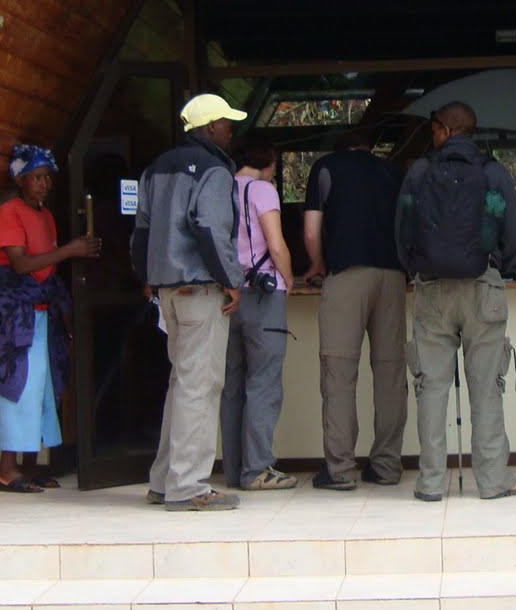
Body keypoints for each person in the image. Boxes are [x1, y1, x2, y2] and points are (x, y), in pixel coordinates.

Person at [395, 100, 516, 502]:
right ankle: (492, 482)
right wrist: (496, 266)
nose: (431, 135)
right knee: (486, 388)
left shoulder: (419, 172)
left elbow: (402, 230)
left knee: (430, 387)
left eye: (434, 128)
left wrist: (415, 268)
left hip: (431, 290)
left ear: (448, 130)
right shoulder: (493, 173)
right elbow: (513, 234)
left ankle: (431, 483)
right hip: (483, 286)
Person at [132, 92, 247, 512]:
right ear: (210, 127)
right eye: (226, 123)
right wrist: (231, 280)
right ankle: (189, 486)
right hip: (200, 290)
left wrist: (147, 278)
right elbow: (210, 230)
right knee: (200, 385)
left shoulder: (155, 169)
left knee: (182, 384)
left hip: (167, 290)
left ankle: (164, 481)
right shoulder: (214, 171)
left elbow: (141, 231)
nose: (231, 130)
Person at [0, 144, 100, 492]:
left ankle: (31, 465)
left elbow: (45, 267)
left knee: (43, 389)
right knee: (17, 385)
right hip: (13, 315)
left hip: (41, 313)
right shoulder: (8, 213)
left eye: (47, 177)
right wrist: (71, 250)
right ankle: (5, 469)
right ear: (20, 179)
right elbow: (20, 264)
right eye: (37, 177)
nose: (44, 184)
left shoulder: (45, 216)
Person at [303, 129, 408, 491]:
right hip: (393, 277)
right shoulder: (394, 172)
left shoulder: (326, 167)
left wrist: (316, 265)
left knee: (339, 372)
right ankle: (386, 465)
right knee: (391, 372)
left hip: (347, 274)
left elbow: (312, 231)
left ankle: (340, 469)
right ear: (368, 147)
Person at [221, 133, 298, 492]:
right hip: (263, 292)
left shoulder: (221, 187)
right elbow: (276, 243)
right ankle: (258, 469)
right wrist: (289, 277)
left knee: (232, 384)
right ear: (267, 162)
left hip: (227, 294)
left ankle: (235, 468)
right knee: (264, 382)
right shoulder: (261, 190)